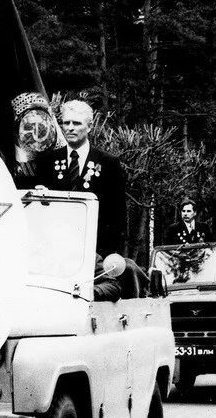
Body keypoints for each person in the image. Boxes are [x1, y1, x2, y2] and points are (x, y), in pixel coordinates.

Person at [19, 100, 137, 300]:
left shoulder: (108, 163)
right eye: (66, 123)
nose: (70, 128)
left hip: (94, 256)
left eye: (77, 123)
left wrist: (103, 257)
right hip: (55, 254)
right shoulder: (47, 161)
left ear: (89, 127)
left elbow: (117, 216)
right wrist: (41, 197)